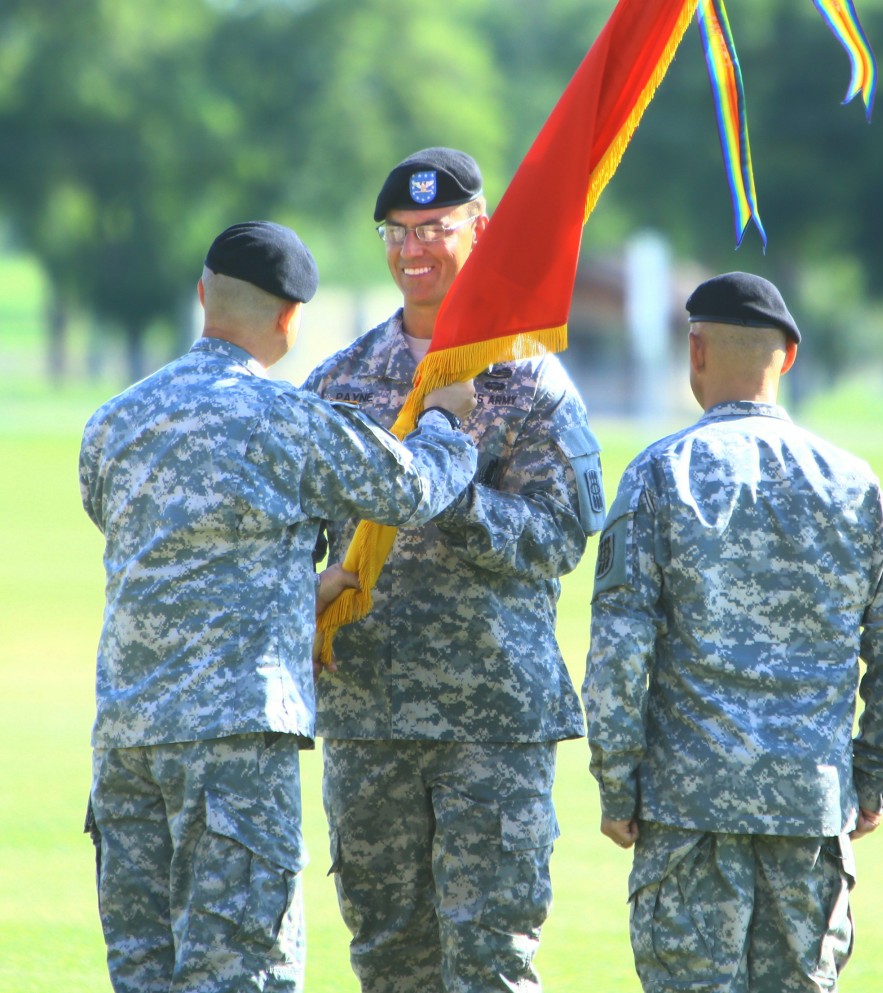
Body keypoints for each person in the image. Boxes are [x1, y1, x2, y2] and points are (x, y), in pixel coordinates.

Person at [79, 220, 479, 993]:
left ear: (203, 296)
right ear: (291, 319)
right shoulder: (287, 419)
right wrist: (446, 419)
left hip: (125, 744)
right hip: (232, 742)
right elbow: (414, 489)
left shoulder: (113, 421)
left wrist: (290, 593)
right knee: (242, 975)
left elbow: (174, 553)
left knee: (143, 975)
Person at [583, 271, 883, 993]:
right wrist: (874, 779)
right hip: (808, 809)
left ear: (696, 351)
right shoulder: (854, 484)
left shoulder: (659, 474)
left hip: (687, 811)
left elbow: (619, 650)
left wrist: (618, 782)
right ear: (790, 357)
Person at [303, 147, 606, 993]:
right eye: (397, 231)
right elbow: (296, 536)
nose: (414, 249)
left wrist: (448, 498)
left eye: (435, 227)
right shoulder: (340, 381)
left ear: (481, 229)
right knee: (387, 959)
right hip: (369, 714)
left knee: (490, 961)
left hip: (491, 721)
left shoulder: (531, 380)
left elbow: (561, 535)